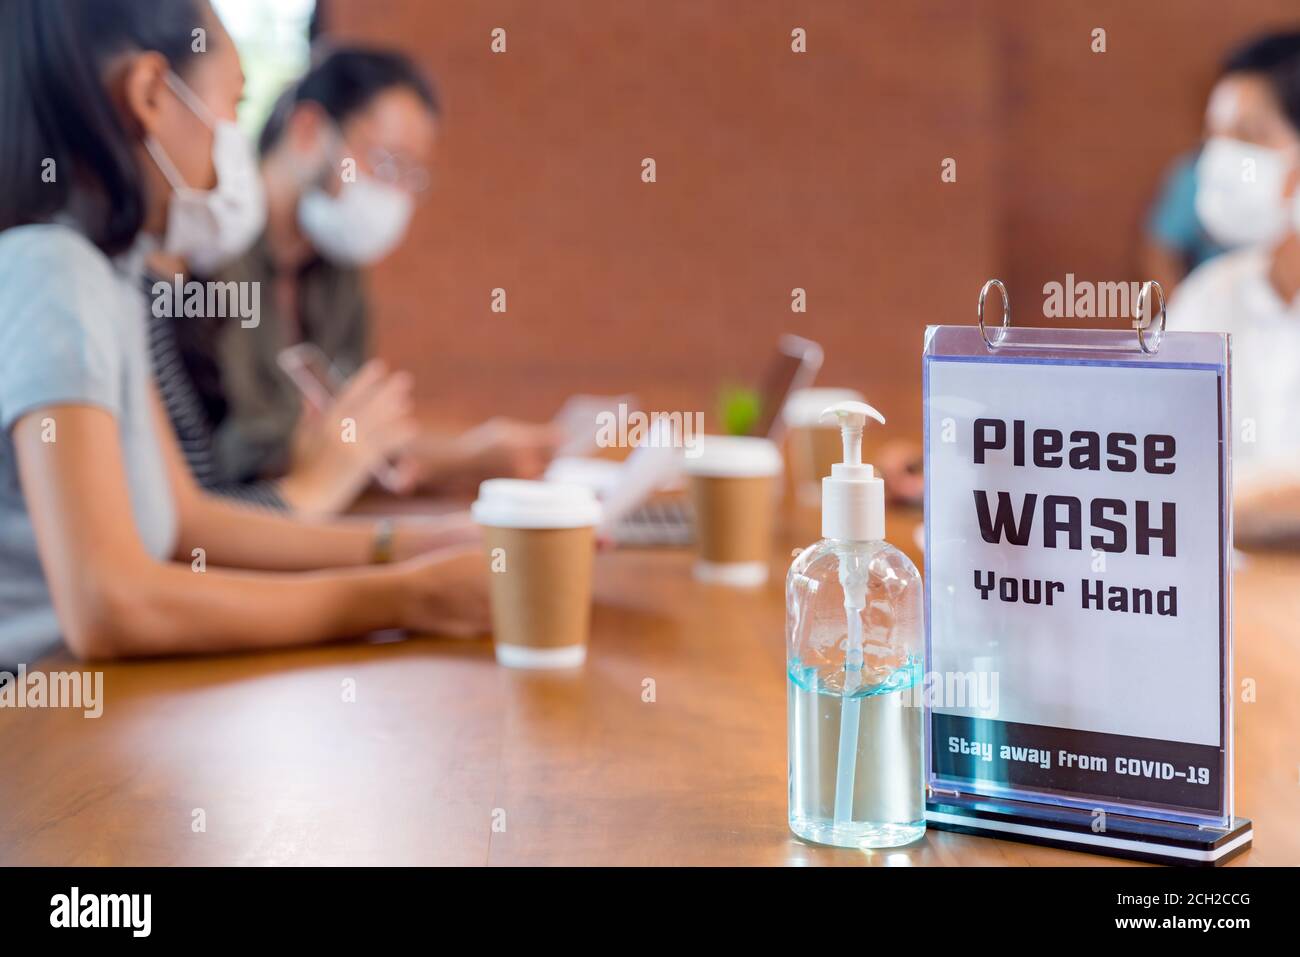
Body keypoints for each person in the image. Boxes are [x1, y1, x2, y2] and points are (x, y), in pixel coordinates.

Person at [0, 0, 490, 668]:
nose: (234, 142)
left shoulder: (108, 274)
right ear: (150, 94)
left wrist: (410, 544)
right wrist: (402, 598)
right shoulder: (51, 272)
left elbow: (187, 522)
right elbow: (108, 603)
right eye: (232, 106)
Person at [175, 47, 560, 516]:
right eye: (387, 163)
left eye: (412, 176)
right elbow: (243, 458)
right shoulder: (204, 252)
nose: (396, 194)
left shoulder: (337, 271)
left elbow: (351, 441)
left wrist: (475, 454)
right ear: (308, 131)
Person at [1168, 31, 1300, 542]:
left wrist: (1207, 504)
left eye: (1248, 136)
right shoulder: (1211, 294)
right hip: (1240, 584)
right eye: (1214, 136)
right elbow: (1144, 440)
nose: (1221, 161)